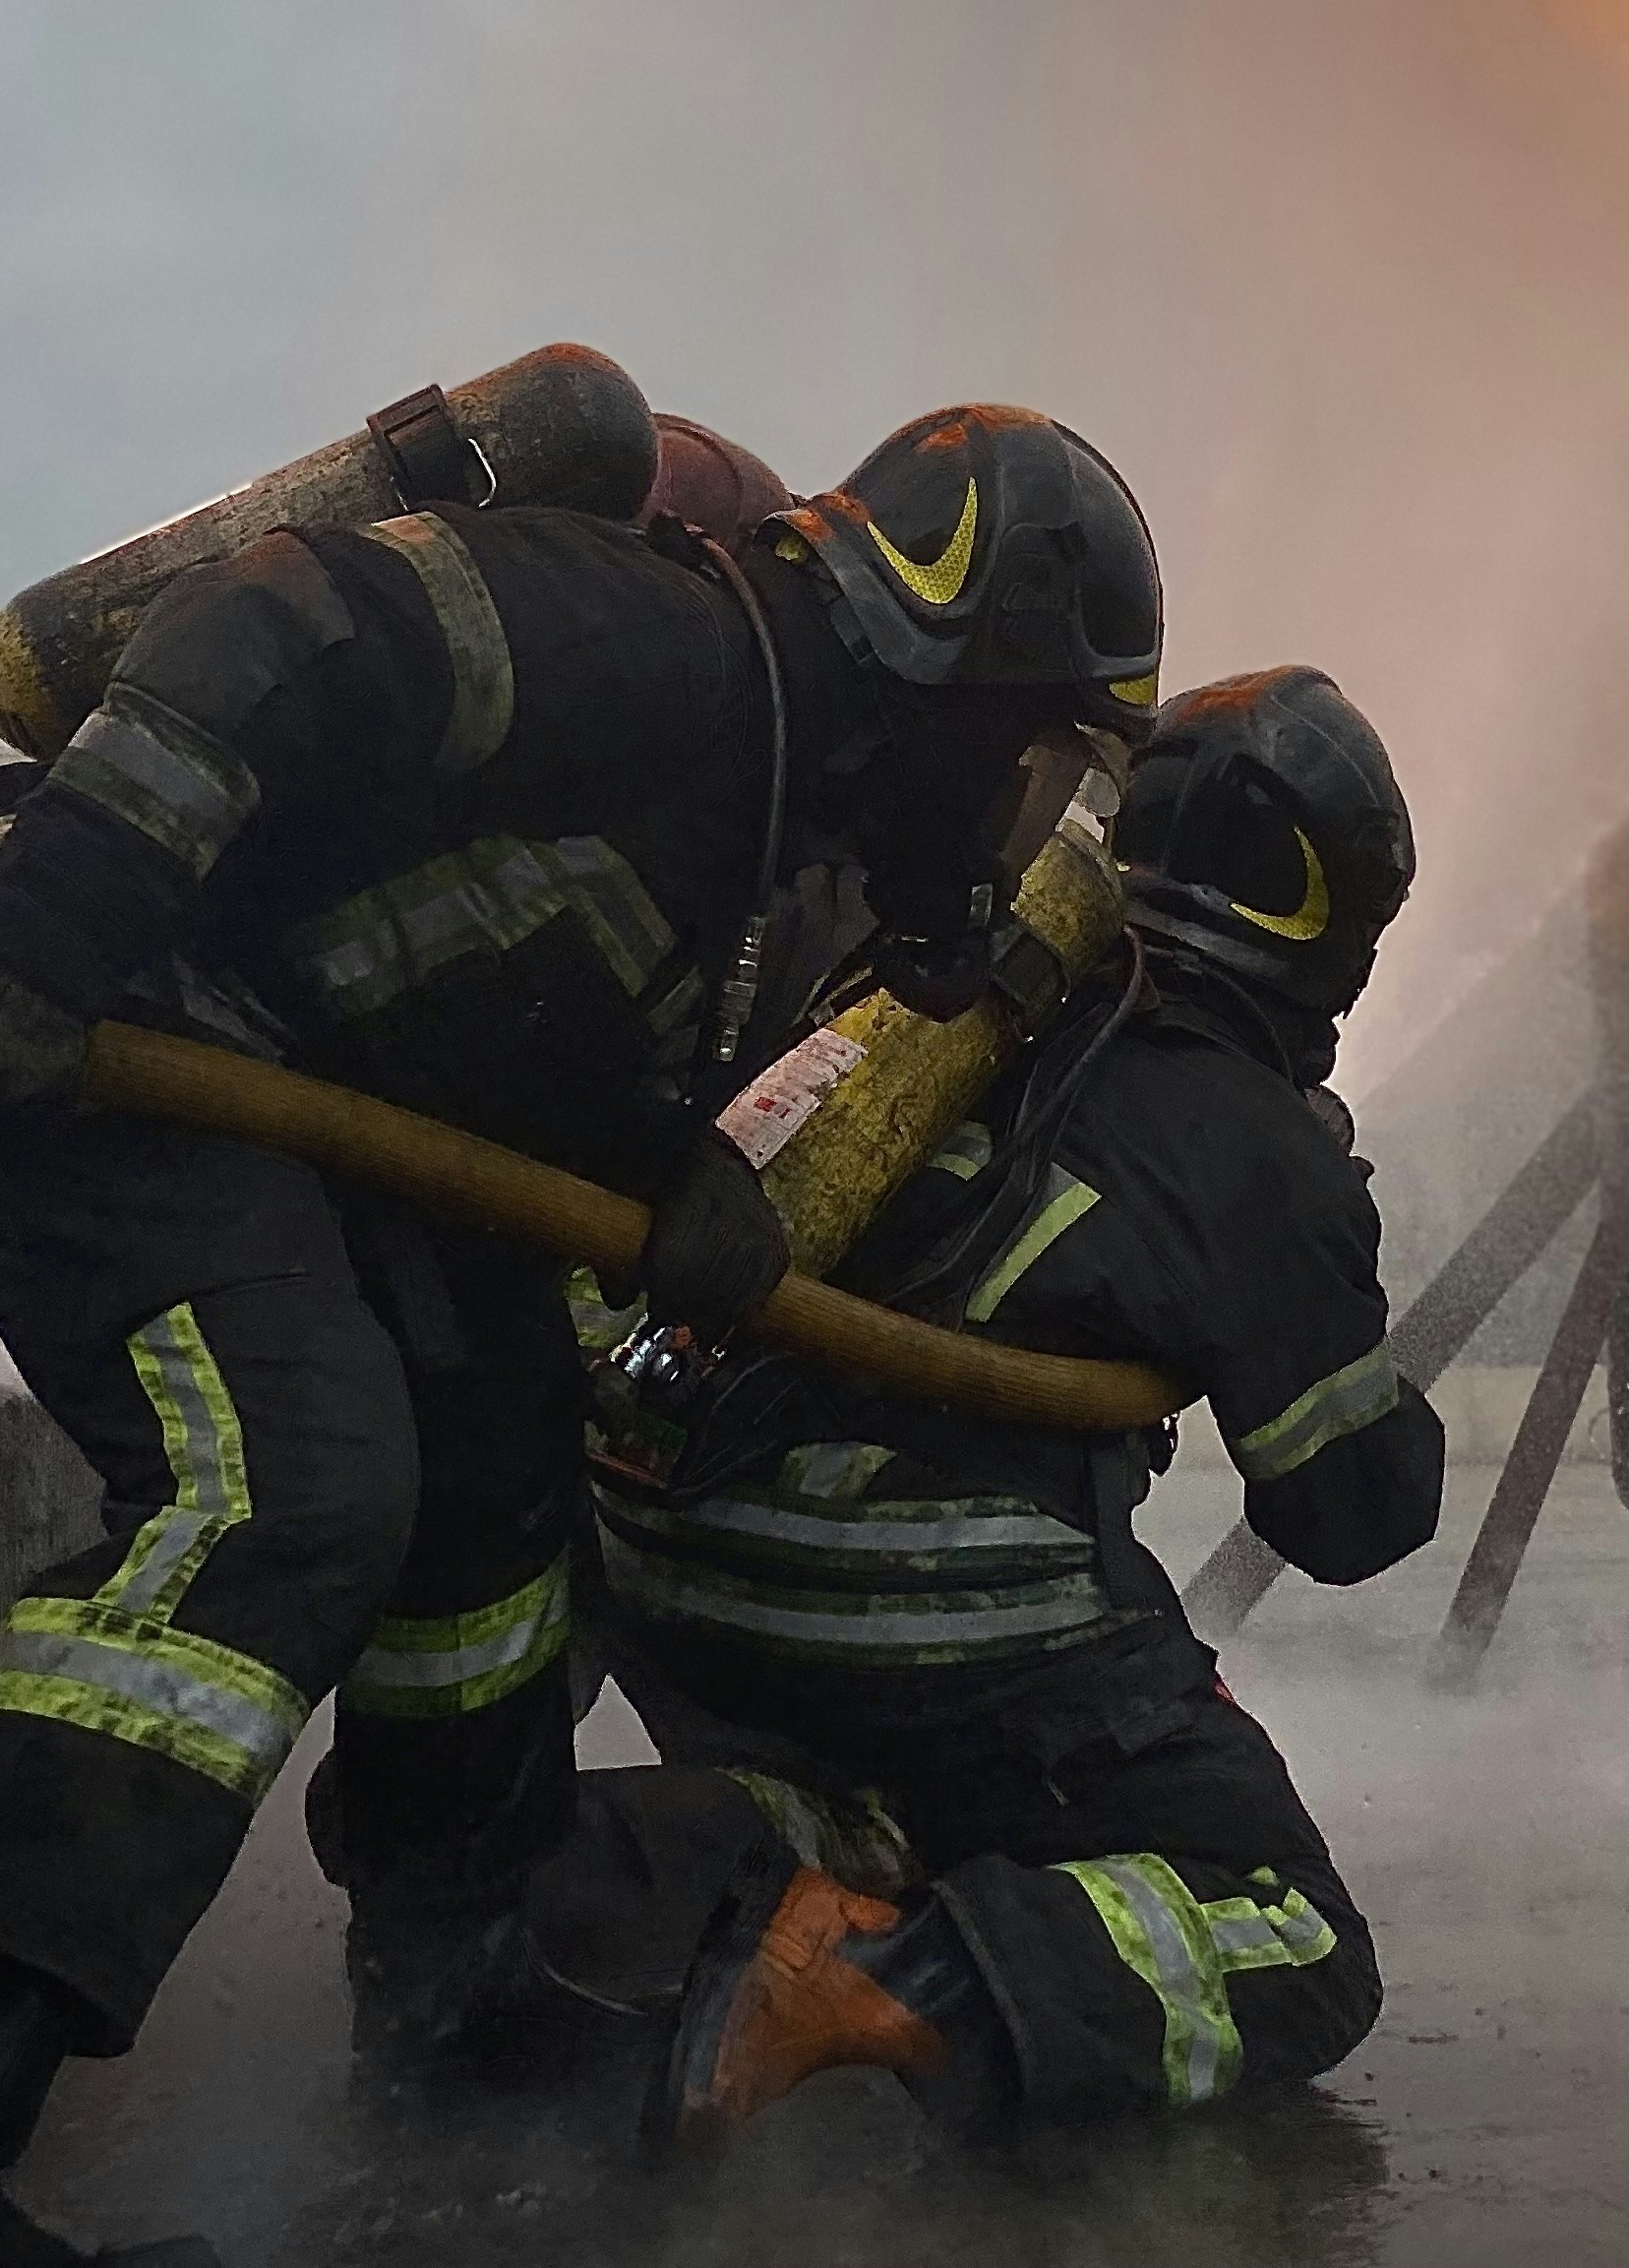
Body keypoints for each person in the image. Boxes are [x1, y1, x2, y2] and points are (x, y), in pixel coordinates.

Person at [0, 404, 1161, 2267]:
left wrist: (661, 1161)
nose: (1022, 810)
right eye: (1032, 752)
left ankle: (451, 2023)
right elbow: (272, 627)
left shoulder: (762, 806)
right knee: (294, 1483)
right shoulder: (667, 639)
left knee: (489, 1471)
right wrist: (51, 936)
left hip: (270, 1070)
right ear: (946, 662)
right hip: (91, 1014)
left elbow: (482, 986)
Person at [530, 663, 1444, 2145]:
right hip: (926, 1625)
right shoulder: (1243, 1132)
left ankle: (649, 1873)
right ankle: (899, 1977)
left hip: (671, 1567)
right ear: (1320, 913)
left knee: (890, 1781)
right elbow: (1351, 1514)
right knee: (1290, 1938)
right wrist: (1327, 1265)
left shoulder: (928, 990)